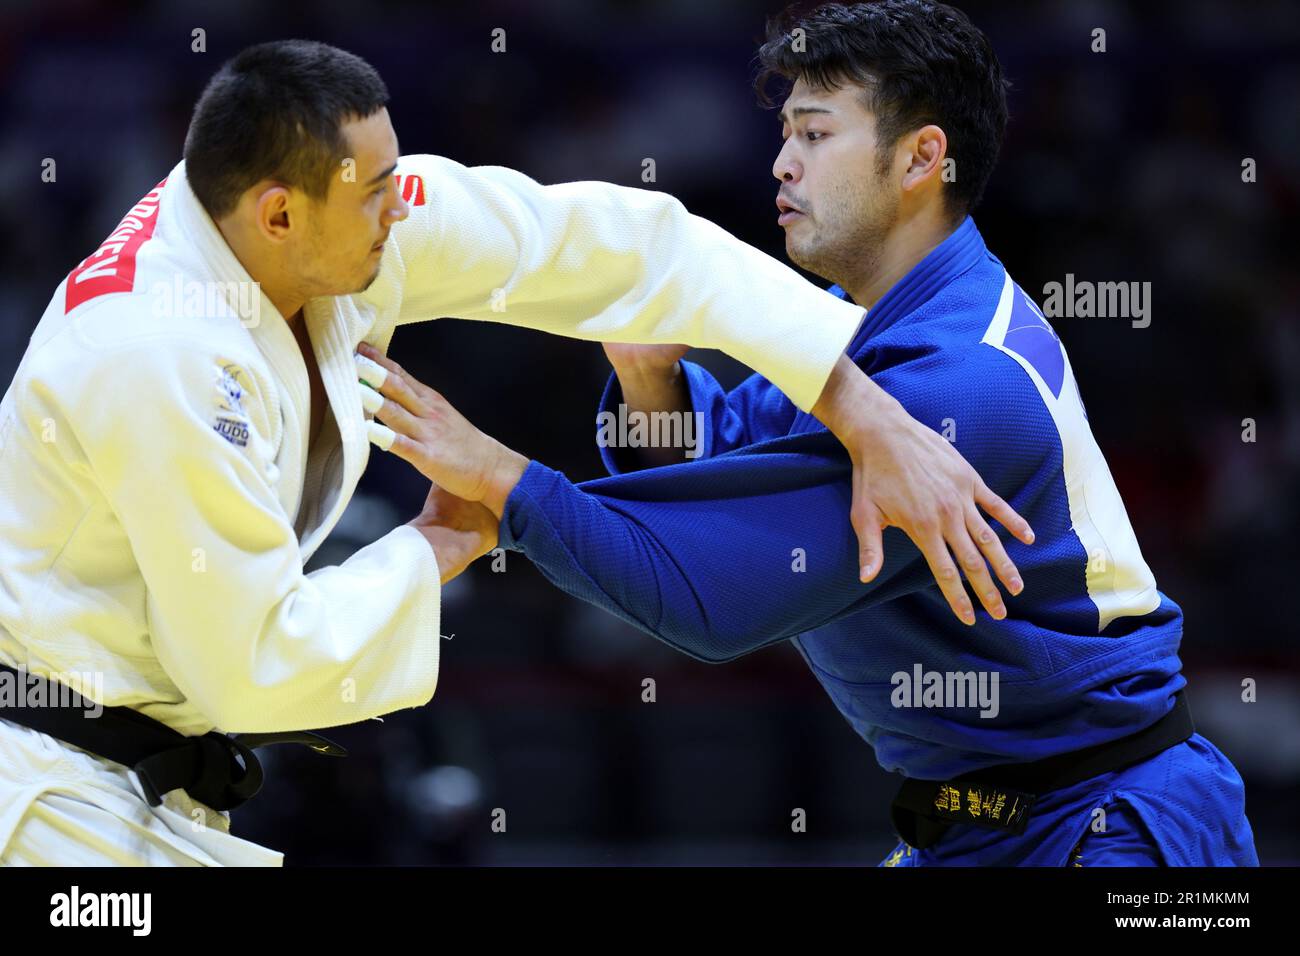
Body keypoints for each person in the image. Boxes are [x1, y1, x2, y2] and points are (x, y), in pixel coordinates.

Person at [0, 37, 1029, 866]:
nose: (402, 209)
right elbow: (252, 673)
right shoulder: (161, 354)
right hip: (52, 789)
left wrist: (858, 406)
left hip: (141, 779)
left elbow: (626, 246)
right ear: (279, 212)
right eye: (377, 194)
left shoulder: (310, 214)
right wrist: (437, 543)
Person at [367, 1, 1259, 866]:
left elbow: (716, 598)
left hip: (1108, 824)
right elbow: (724, 452)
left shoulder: (965, 384)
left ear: (922, 158)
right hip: (970, 818)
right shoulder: (855, 324)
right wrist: (648, 375)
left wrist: (496, 479)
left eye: (815, 134)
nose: (781, 164)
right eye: (786, 133)